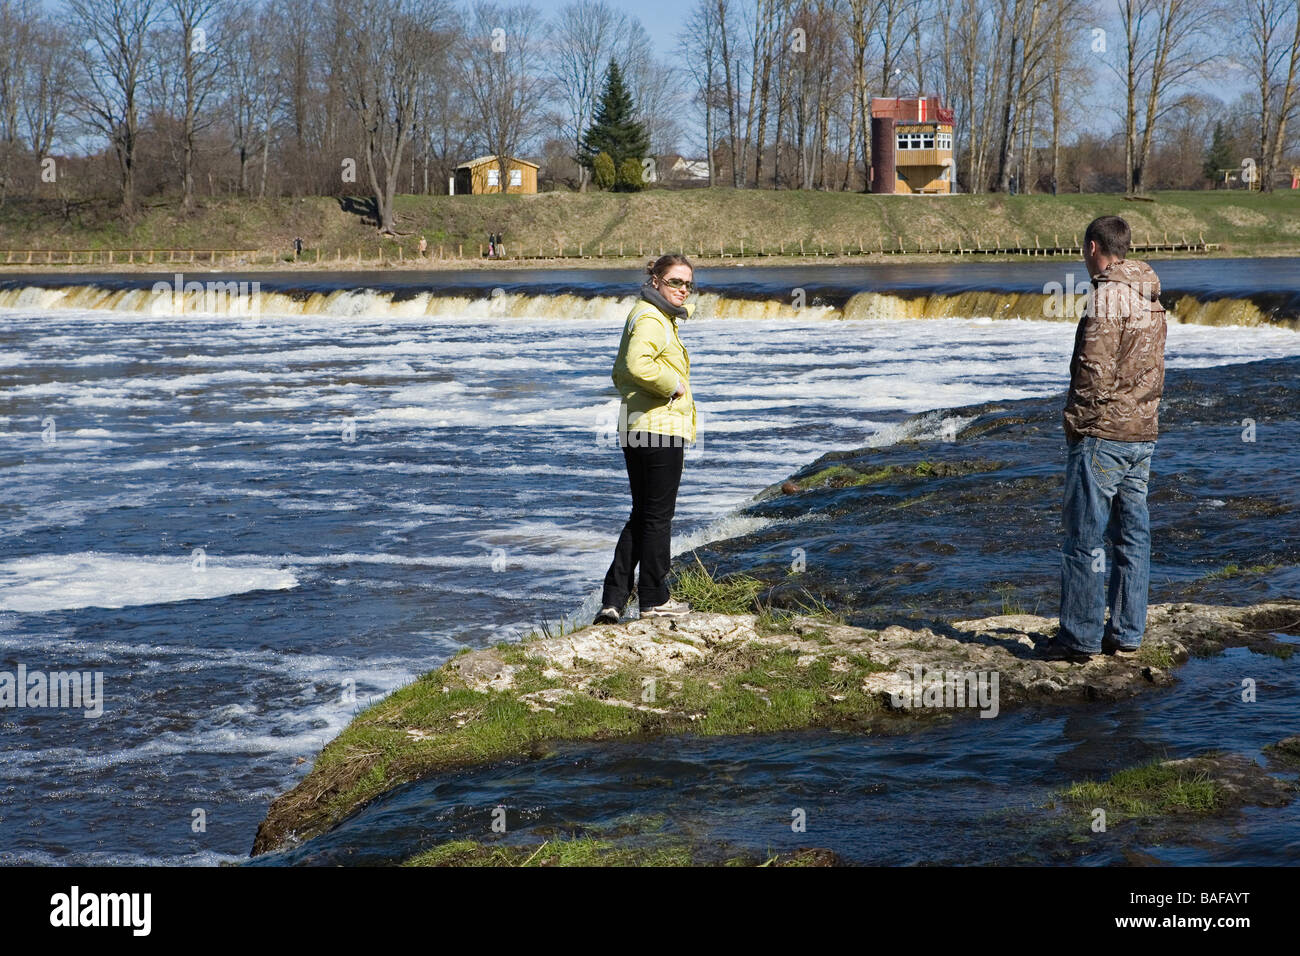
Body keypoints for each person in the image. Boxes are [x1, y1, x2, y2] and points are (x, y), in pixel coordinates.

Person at [1048, 215, 1166, 662]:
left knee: (1082, 537)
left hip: (1103, 433)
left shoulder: (1106, 299)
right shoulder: (1151, 298)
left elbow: (1093, 374)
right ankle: (1127, 633)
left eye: (1083, 249)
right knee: (1133, 536)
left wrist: (1075, 423)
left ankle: (1078, 640)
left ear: (1094, 247)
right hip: (1142, 431)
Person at [595, 255, 698, 623]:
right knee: (657, 518)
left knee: (642, 515)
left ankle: (613, 599)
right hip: (660, 429)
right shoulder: (653, 318)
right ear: (655, 280)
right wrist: (673, 385)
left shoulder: (643, 314)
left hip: (636, 425)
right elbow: (638, 366)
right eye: (674, 282)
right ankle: (655, 599)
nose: (683, 290)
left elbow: (619, 371)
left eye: (688, 284)